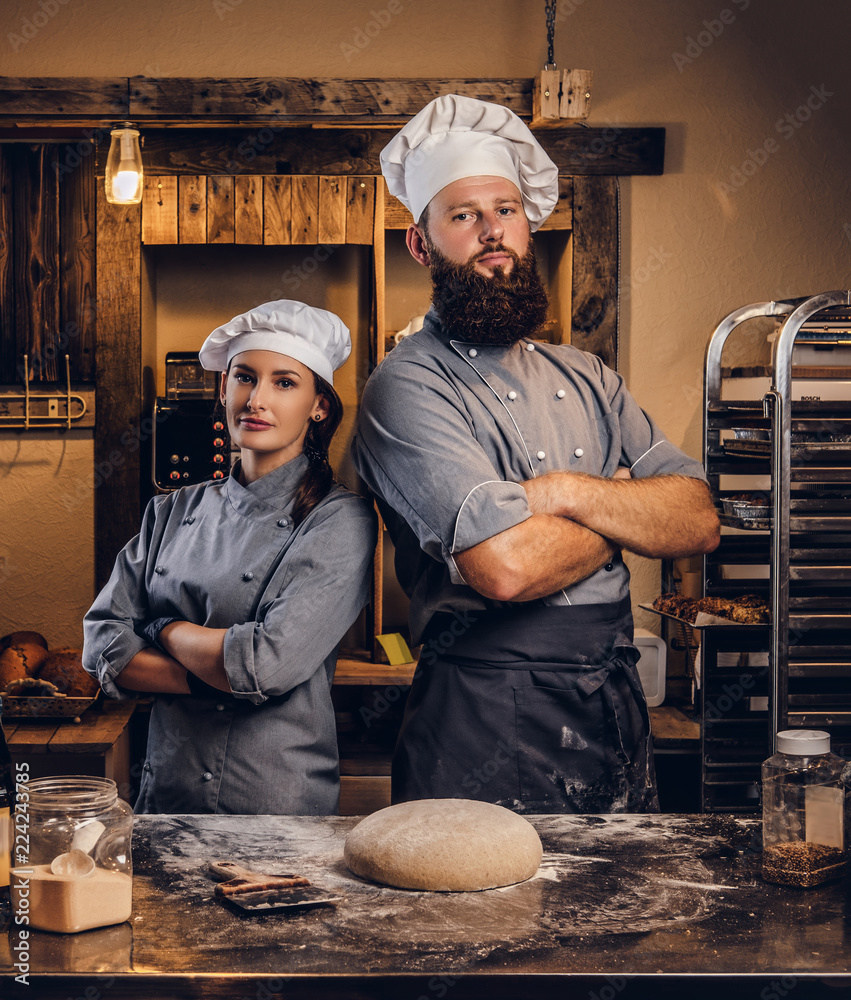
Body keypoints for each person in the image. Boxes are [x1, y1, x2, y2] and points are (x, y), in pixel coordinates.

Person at [351, 95, 720, 814]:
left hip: (609, 697)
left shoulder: (587, 374)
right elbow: (505, 569)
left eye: (506, 210)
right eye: (463, 216)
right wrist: (620, 505)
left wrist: (562, 492)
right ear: (421, 246)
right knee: (491, 921)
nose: (492, 232)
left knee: (613, 917)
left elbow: (697, 520)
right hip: (484, 710)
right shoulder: (406, 384)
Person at [84, 300, 377, 814]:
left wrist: (160, 629)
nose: (256, 399)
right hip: (165, 802)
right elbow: (103, 642)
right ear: (223, 389)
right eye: (244, 377)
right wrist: (218, 672)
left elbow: (268, 664)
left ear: (319, 406)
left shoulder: (341, 520)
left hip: (275, 809)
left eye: (284, 382)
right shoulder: (171, 510)